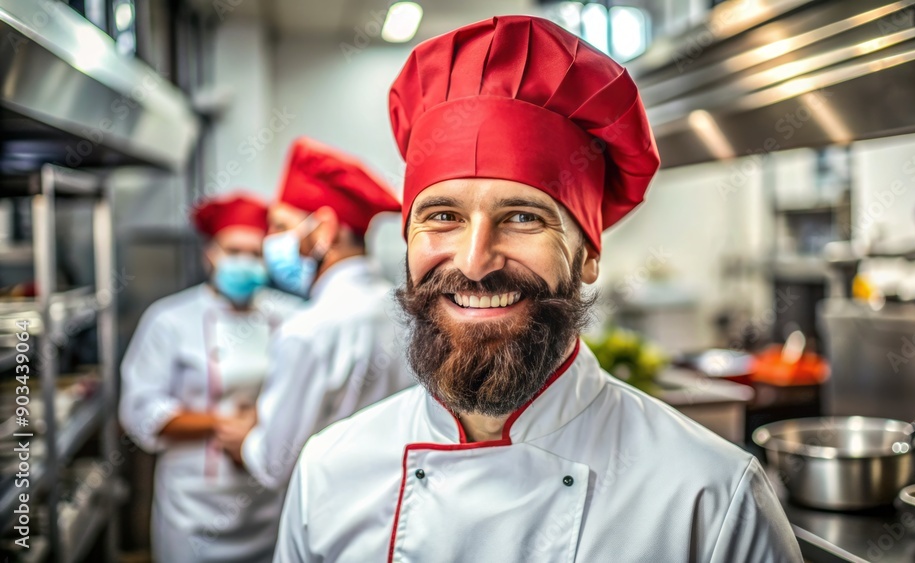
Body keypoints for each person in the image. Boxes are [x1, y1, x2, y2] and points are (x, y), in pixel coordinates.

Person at [275, 15, 803, 562]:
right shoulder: (329, 472)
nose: (475, 262)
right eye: (443, 216)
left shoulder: (709, 500)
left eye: (524, 217)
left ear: (589, 253)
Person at [214, 137, 413, 490]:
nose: (269, 242)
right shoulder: (402, 308)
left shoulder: (308, 330)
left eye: (279, 226)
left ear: (324, 230)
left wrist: (246, 440)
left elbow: (275, 464)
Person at [119, 192, 301, 562]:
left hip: (268, 499)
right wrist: (226, 424)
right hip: (193, 504)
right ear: (210, 255)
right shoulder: (170, 319)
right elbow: (140, 411)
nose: (245, 262)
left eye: (254, 253)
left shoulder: (292, 317)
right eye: (234, 251)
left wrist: (261, 425)